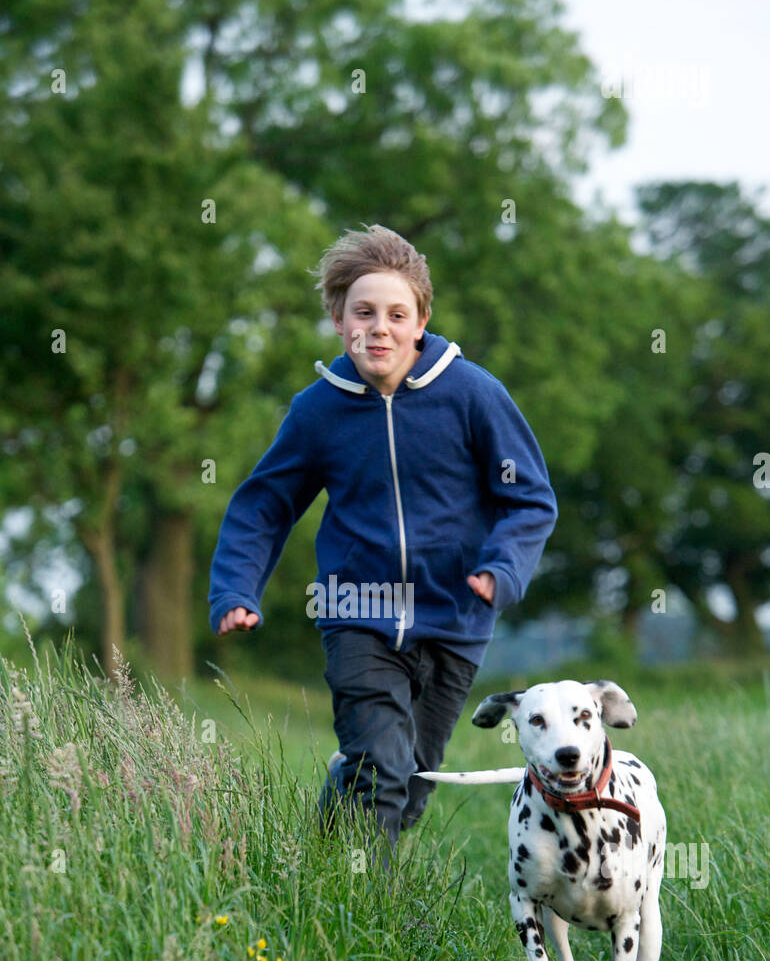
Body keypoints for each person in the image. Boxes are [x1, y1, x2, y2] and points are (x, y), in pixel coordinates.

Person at [208, 223, 557, 869]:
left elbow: (530, 498)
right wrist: (235, 589)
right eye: (362, 313)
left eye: (396, 314)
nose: (379, 328)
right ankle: (365, 907)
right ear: (339, 321)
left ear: (421, 321)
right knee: (381, 771)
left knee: (413, 781)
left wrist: (502, 568)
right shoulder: (318, 411)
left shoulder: (474, 395)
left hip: (454, 620)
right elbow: (264, 505)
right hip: (357, 612)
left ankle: (319, 868)